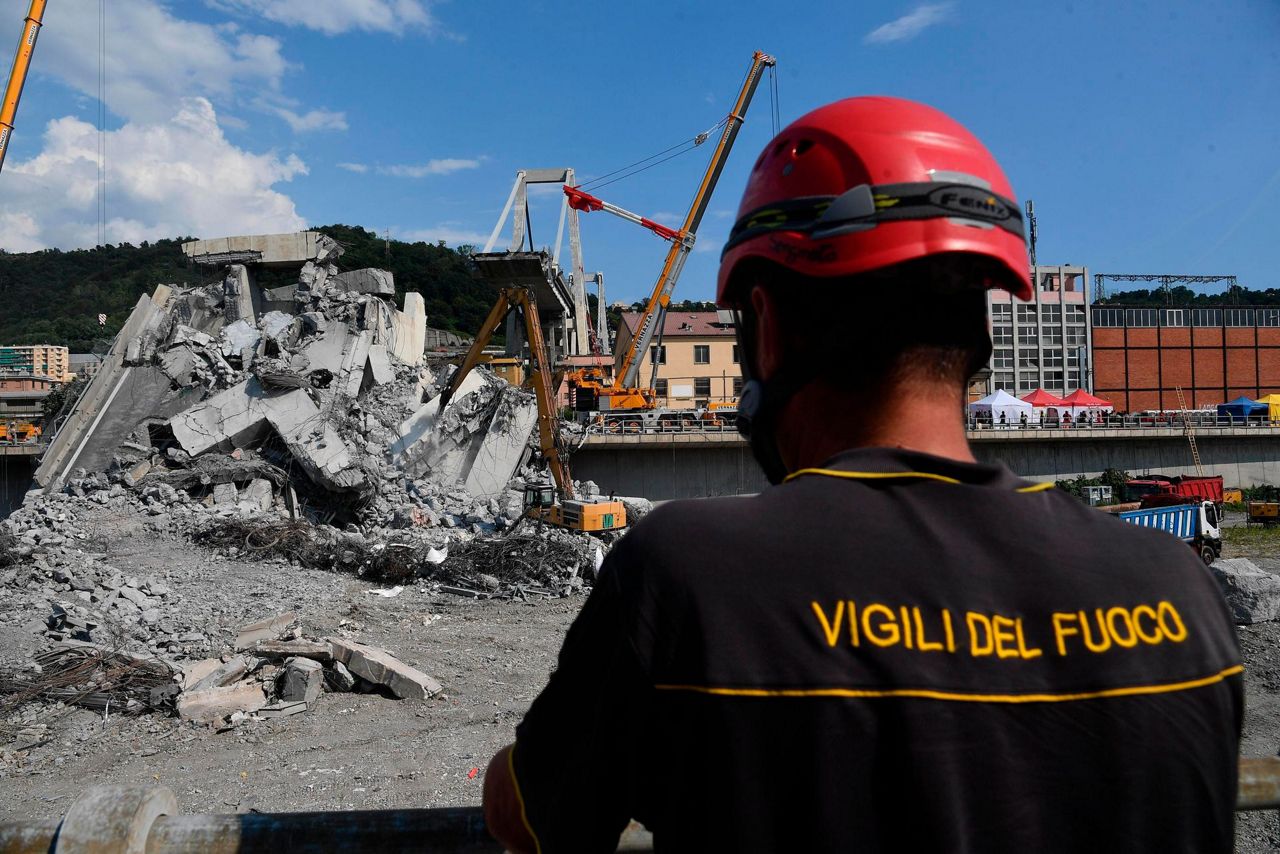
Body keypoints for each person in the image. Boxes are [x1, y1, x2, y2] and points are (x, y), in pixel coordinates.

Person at [483, 96, 1241, 853]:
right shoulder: (1180, 593)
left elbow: (531, 817)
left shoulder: (686, 576)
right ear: (979, 331)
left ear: (768, 328)